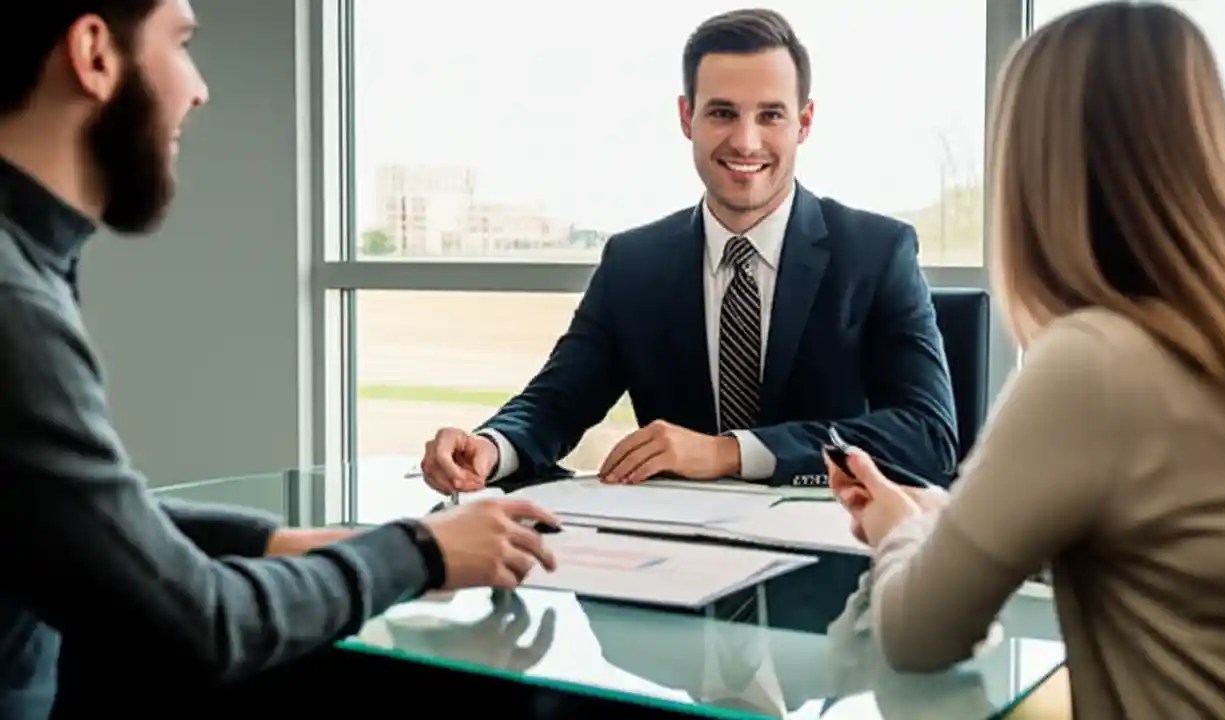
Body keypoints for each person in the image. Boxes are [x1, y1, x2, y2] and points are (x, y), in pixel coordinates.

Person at [0, 2, 558, 717]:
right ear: (94, 54)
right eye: (181, 42)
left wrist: (280, 542)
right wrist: (419, 553)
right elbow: (201, 626)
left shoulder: (29, 264)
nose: (198, 88)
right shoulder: (15, 305)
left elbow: (90, 525)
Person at [827, 3, 1225, 717]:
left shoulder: (1098, 362)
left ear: (1036, 174)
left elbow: (920, 636)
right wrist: (947, 515)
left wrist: (896, 527)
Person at [421, 8, 957, 493]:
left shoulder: (876, 252)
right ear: (687, 118)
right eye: (722, 113)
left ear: (805, 123)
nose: (746, 142)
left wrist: (729, 453)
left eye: (770, 115)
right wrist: (491, 447)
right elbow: (555, 403)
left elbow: (928, 437)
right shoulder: (634, 264)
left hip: (831, 565)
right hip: (674, 567)